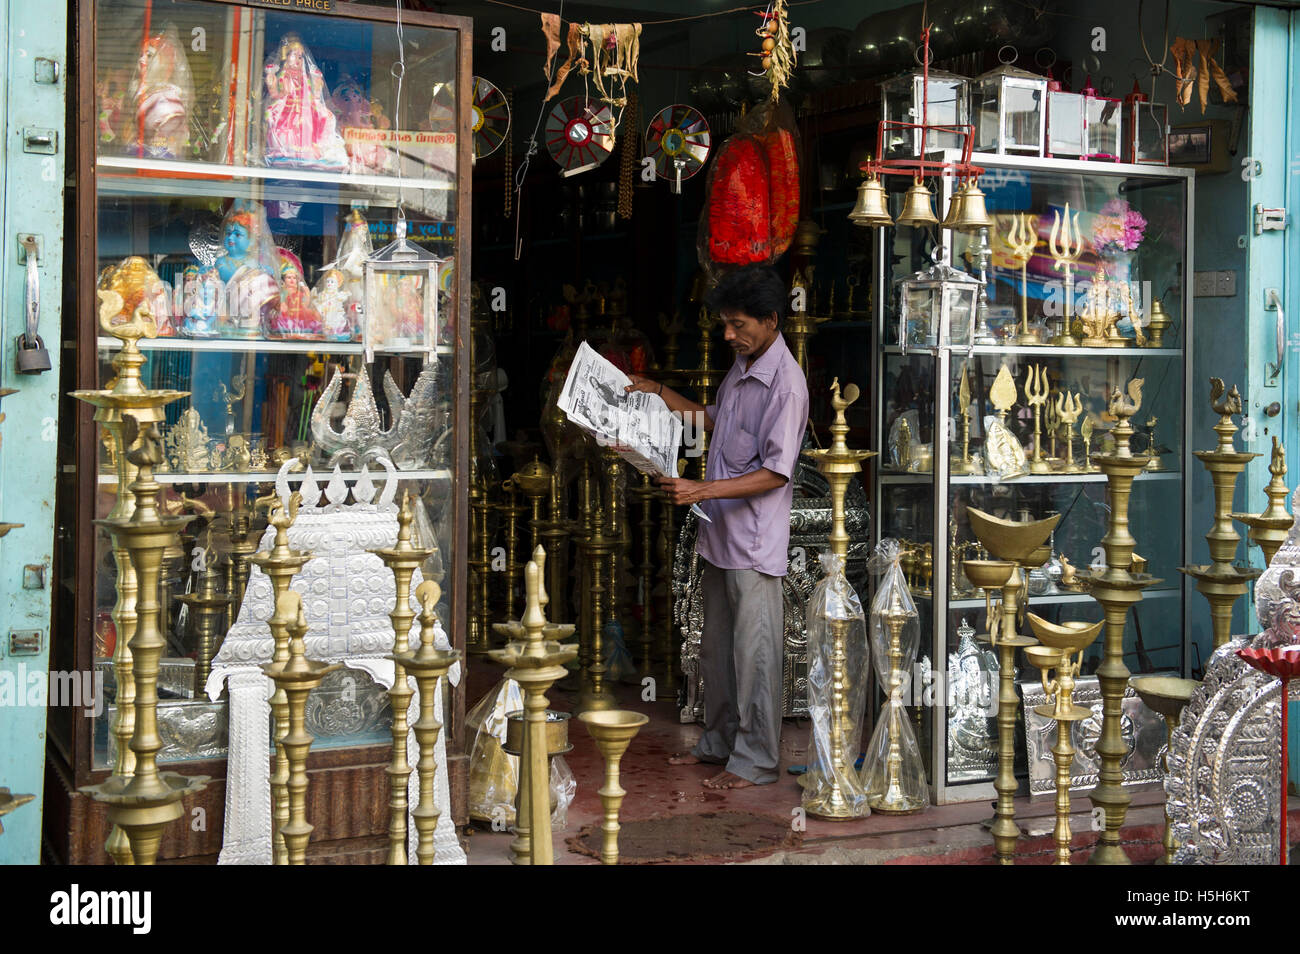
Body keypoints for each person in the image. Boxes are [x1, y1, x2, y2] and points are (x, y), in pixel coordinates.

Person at [626, 266, 808, 789]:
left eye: (737, 325)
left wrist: (699, 490)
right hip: (719, 537)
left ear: (772, 321)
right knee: (717, 652)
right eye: (725, 324)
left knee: (755, 656)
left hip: (752, 543)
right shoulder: (744, 364)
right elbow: (714, 416)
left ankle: (754, 762)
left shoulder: (786, 385)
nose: (728, 335)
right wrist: (658, 393)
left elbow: (776, 472)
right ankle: (719, 745)